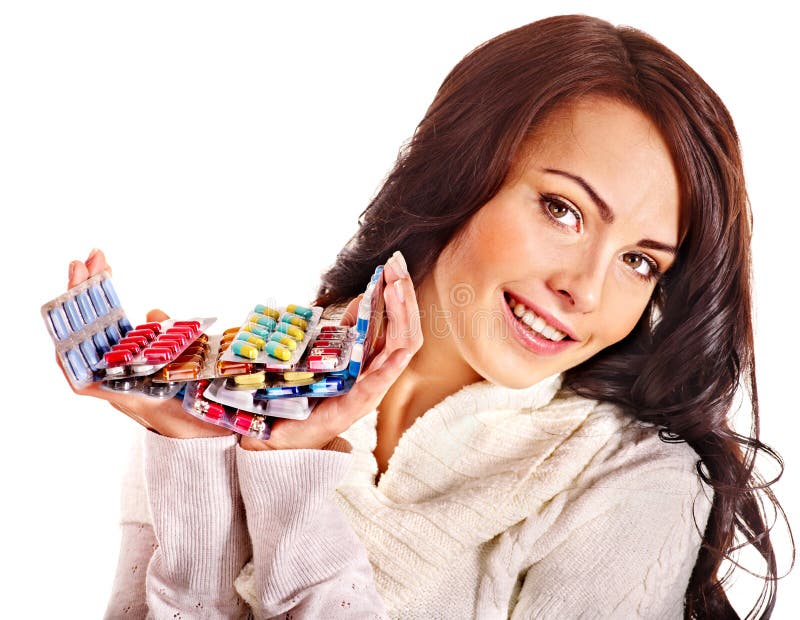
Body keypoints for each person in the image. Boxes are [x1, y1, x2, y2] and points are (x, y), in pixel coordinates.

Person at [62, 14, 786, 619]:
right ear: (462, 173)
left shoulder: (633, 481)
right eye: (562, 210)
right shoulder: (229, 391)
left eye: (640, 261)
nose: (586, 291)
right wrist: (193, 466)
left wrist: (291, 485)